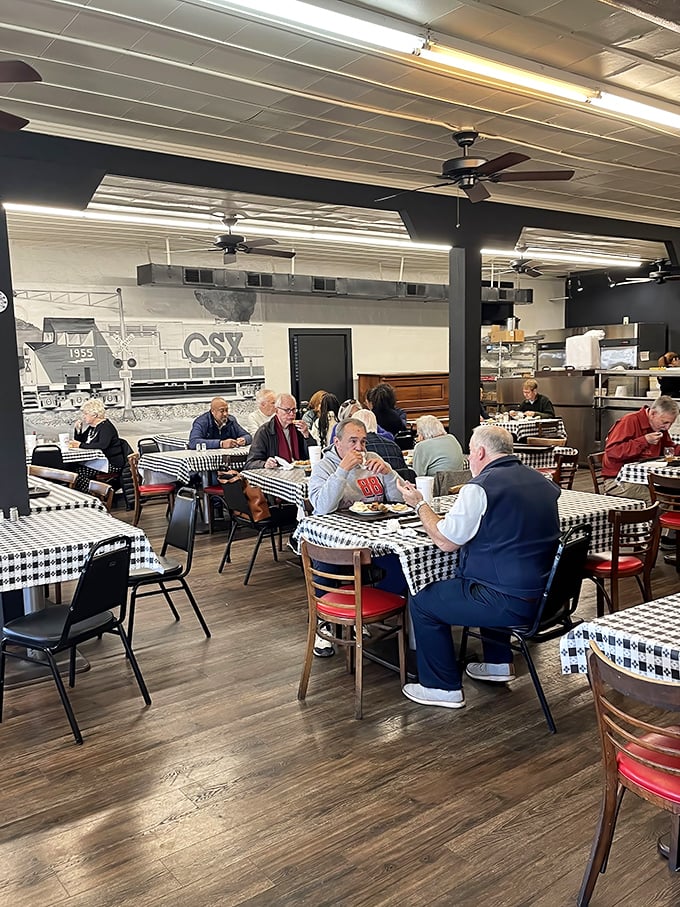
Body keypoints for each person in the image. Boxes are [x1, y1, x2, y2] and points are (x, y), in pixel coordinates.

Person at [396, 424, 560, 710]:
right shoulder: (542, 482)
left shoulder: (480, 488)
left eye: (470, 453)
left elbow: (446, 541)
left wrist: (419, 505)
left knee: (422, 599)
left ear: (480, 452)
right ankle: (498, 663)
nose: (469, 459)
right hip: (548, 596)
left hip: (509, 601)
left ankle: (441, 686)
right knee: (487, 576)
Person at [308, 417, 403, 515]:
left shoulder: (373, 459)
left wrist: (389, 474)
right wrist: (342, 471)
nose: (359, 448)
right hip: (338, 526)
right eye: (353, 441)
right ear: (337, 442)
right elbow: (322, 508)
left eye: (363, 442)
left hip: (374, 523)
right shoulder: (323, 467)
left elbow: (401, 501)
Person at [602, 395, 680, 500]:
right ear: (653, 413)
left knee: (676, 491)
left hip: (647, 479)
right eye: (665, 422)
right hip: (618, 480)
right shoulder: (629, 421)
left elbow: (670, 449)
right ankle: (651, 517)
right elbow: (613, 452)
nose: (667, 427)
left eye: (670, 423)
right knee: (659, 499)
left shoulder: (660, 428)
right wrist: (644, 441)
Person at [69, 398, 126, 492]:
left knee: (78, 473)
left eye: (86, 414)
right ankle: (90, 493)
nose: (83, 417)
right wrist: (78, 430)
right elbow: (81, 441)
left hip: (111, 463)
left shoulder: (105, 427)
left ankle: (92, 495)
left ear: (94, 415)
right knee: (72, 467)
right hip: (98, 460)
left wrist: (80, 445)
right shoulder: (93, 427)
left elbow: (102, 445)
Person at [246, 393, 316, 468]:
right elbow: (250, 463)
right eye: (287, 410)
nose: (292, 414)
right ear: (276, 411)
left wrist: (306, 435)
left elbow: (314, 454)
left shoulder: (298, 428)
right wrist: (264, 464)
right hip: (276, 473)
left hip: (299, 471)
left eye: (294, 410)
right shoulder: (265, 431)